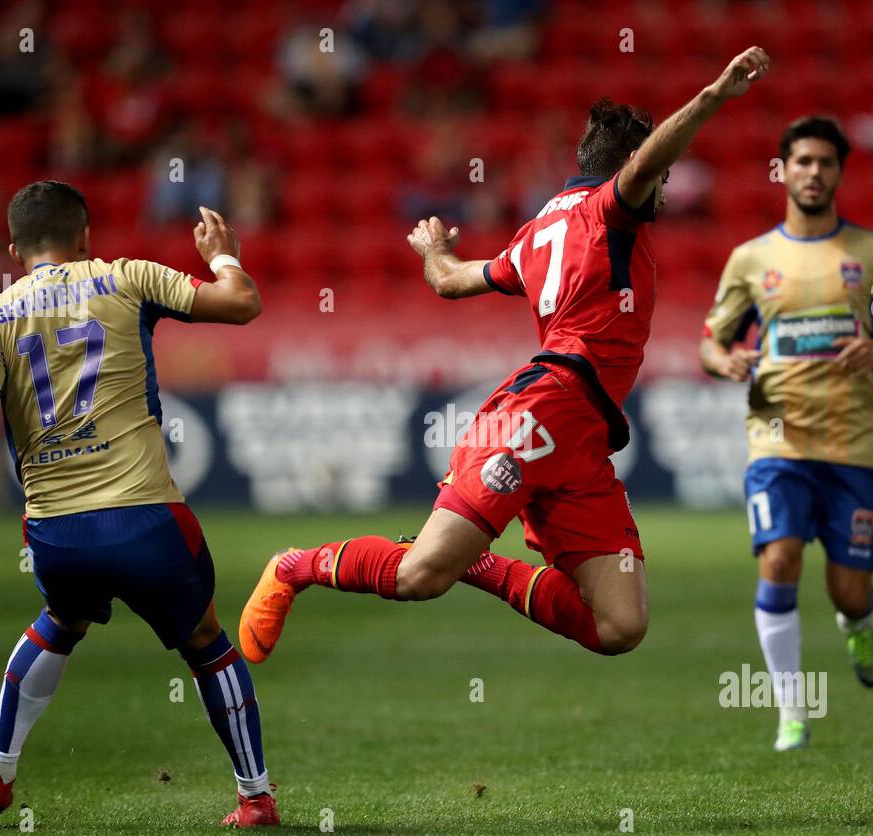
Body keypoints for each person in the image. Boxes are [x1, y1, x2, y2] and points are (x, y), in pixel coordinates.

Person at [238, 49, 772, 670]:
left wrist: (432, 249)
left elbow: (451, 280)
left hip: (583, 436)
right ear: (629, 168)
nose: (662, 190)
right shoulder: (609, 211)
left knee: (620, 624)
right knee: (421, 575)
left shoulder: (534, 232)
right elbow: (654, 159)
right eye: (655, 177)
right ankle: (294, 567)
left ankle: (484, 564)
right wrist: (715, 93)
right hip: (540, 411)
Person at [0, 183, 277, 827]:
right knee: (207, 640)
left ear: (15, 250)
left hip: (57, 533)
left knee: (60, 622)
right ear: (86, 236)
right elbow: (241, 304)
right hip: (146, 517)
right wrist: (224, 256)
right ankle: (255, 796)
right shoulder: (128, 277)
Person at [699, 117, 873, 751]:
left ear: (839, 172)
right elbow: (710, 342)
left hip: (858, 443)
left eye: (825, 162)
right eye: (802, 161)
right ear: (783, 170)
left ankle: (856, 621)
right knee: (778, 558)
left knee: (847, 587)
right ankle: (792, 713)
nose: (813, 172)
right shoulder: (751, 260)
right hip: (777, 437)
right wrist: (724, 362)